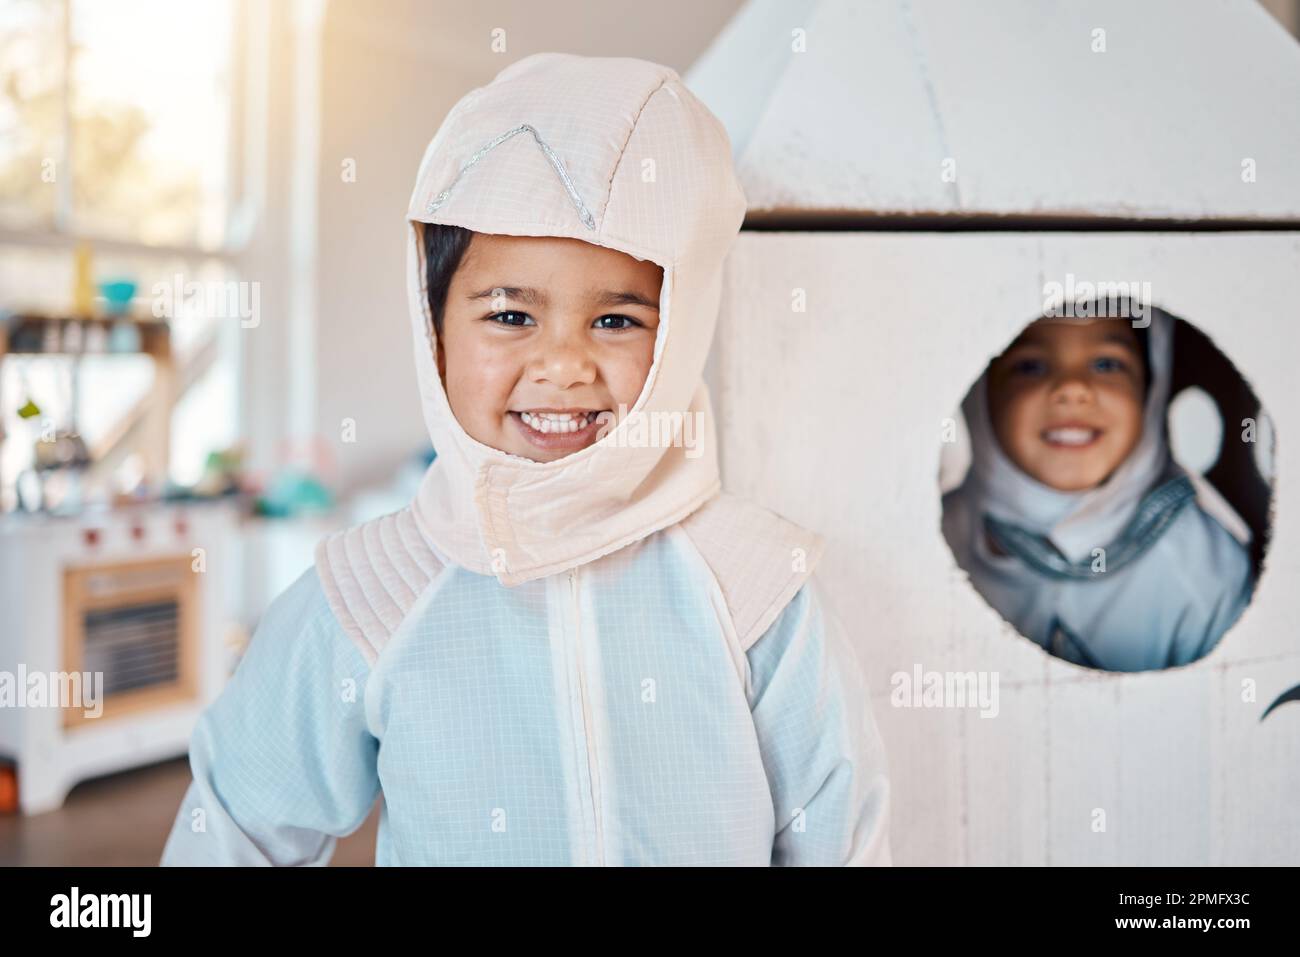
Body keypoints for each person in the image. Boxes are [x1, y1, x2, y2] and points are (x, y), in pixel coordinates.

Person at [160, 52, 890, 866]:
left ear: (683, 330)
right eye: (510, 315)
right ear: (435, 328)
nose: (562, 365)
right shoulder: (373, 590)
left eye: (616, 321)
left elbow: (841, 834)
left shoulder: (753, 582)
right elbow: (233, 829)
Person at [942, 306, 1254, 672]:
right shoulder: (938, 535)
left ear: (1150, 391)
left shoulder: (1205, 568)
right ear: (982, 395)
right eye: (1030, 366)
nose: (1072, 389)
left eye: (1107, 364)